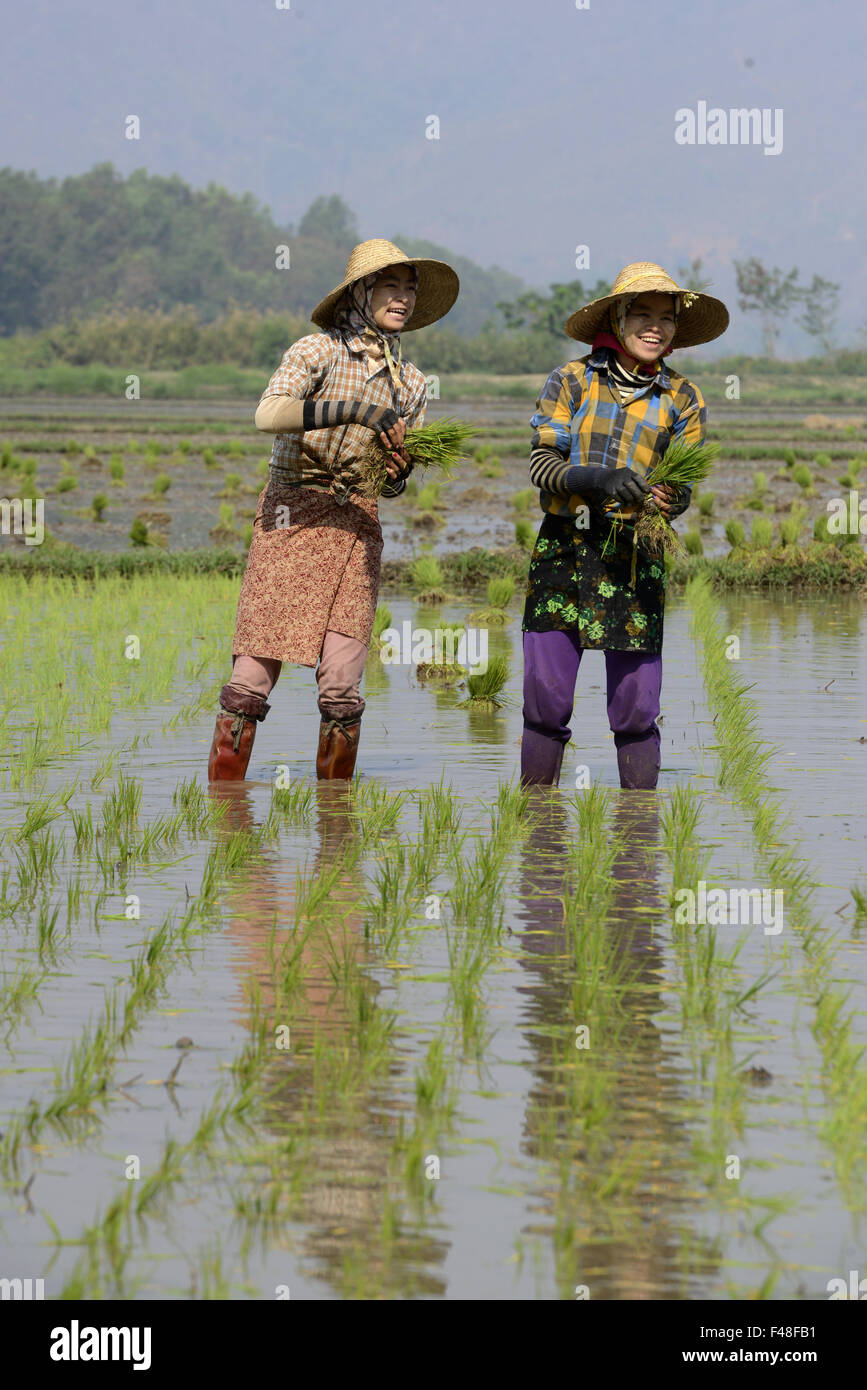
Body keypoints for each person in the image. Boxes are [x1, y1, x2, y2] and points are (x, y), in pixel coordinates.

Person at [206, 238, 459, 781]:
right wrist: (353, 410)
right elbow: (267, 413)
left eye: (410, 288)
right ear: (361, 292)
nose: (404, 297)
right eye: (390, 285)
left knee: (342, 684)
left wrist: (396, 474)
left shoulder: (410, 383)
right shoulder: (315, 352)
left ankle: (336, 820)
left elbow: (390, 476)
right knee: (253, 674)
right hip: (291, 516)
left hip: (356, 526)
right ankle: (226, 805)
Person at [520, 261, 729, 790]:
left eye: (666, 317)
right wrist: (596, 478)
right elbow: (541, 467)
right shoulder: (571, 380)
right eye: (642, 314)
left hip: (637, 555)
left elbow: (682, 488)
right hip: (566, 549)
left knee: (636, 705)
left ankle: (638, 829)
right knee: (546, 695)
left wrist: (667, 498)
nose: (655, 326)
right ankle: (536, 823)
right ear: (617, 316)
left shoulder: (684, 397)